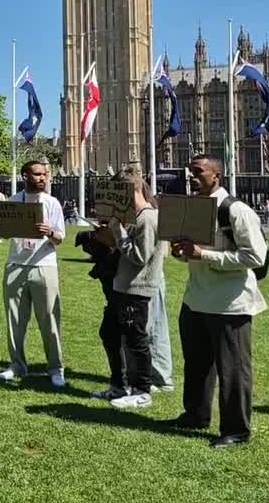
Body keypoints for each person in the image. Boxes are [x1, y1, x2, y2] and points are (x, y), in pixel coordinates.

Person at [170, 155, 267, 449]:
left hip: (230, 303)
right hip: (196, 299)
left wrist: (205, 255)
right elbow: (189, 252)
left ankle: (236, 430)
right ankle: (196, 414)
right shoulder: (190, 208)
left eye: (198, 172)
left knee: (233, 369)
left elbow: (255, 257)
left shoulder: (235, 211)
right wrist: (181, 252)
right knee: (197, 364)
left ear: (217, 176)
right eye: (189, 172)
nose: (191, 177)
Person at [92, 168, 165, 408]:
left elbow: (139, 256)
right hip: (122, 286)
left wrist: (116, 231)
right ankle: (118, 385)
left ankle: (142, 390)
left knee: (136, 340)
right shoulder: (135, 217)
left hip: (137, 288)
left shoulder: (147, 218)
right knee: (110, 334)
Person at [0, 160, 67, 386]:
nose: (42, 178)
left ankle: (56, 368)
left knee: (49, 318)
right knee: (15, 319)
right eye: (37, 174)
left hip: (43, 265)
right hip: (16, 265)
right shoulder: (14, 201)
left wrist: (50, 232)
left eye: (45, 175)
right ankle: (17, 364)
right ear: (25, 176)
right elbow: (3, 232)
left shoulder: (52, 203)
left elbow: (60, 239)